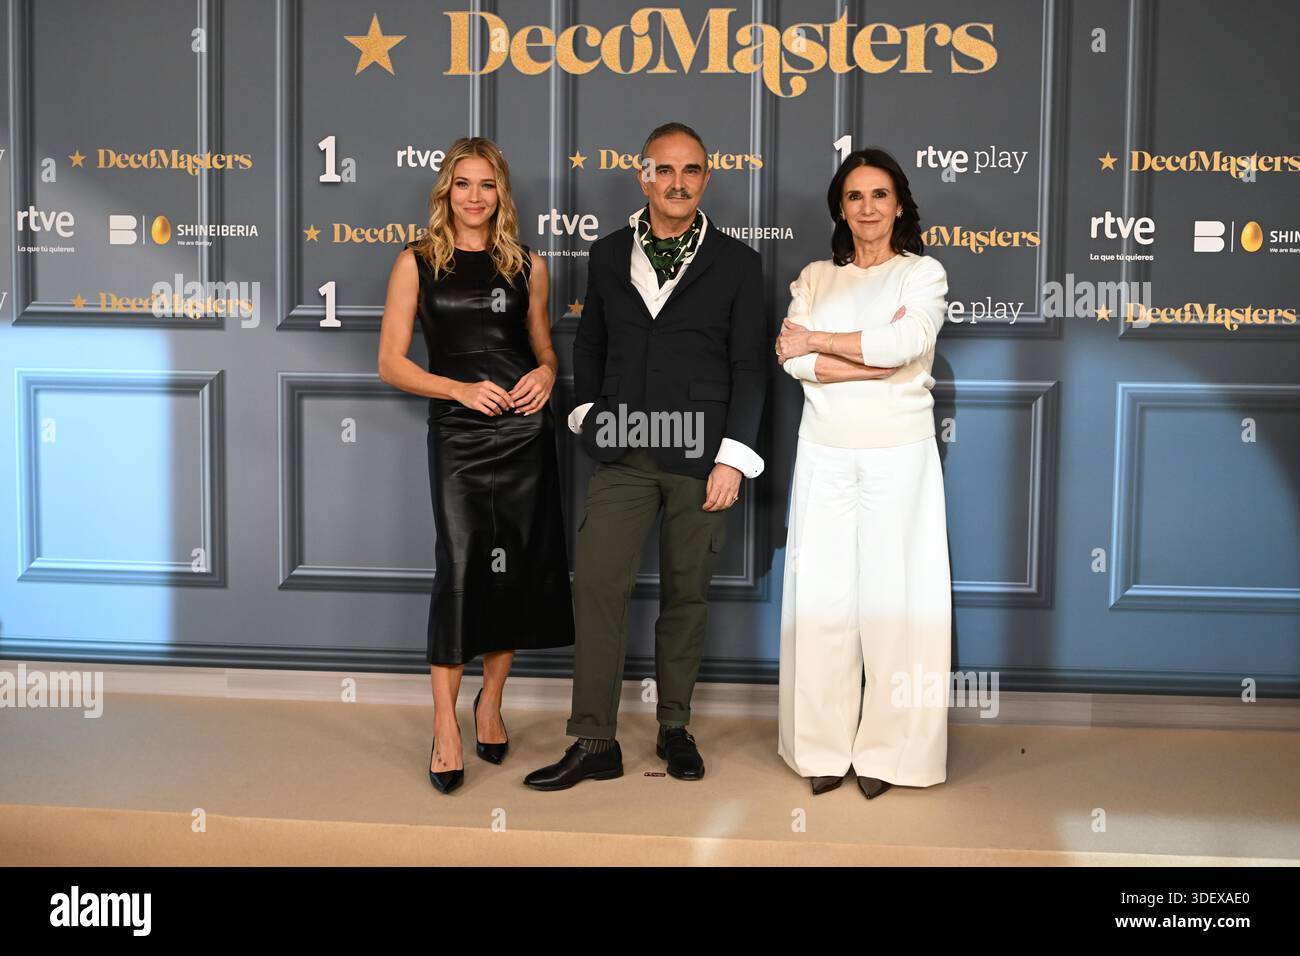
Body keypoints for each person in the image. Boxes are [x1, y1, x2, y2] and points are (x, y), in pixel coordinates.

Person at [523, 122, 769, 790]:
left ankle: (675, 728)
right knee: (600, 586)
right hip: (624, 452)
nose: (678, 183)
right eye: (665, 170)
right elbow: (591, 342)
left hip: (702, 457)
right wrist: (586, 414)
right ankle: (594, 739)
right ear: (644, 175)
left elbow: (750, 368)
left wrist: (734, 459)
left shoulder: (740, 263)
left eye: (691, 171)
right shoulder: (607, 255)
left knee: (686, 596)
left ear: (706, 178)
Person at [378, 136, 575, 795]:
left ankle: (490, 702)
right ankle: (444, 724)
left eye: (486, 184)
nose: (474, 196)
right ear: (446, 191)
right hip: (460, 435)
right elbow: (392, 363)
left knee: (511, 571)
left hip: (523, 435)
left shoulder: (528, 266)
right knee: (460, 571)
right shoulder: (416, 262)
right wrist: (458, 389)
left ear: (500, 194)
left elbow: (545, 349)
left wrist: (546, 375)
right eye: (462, 183)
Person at [774, 147, 953, 800]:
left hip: (898, 455)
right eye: (855, 196)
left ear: (899, 203)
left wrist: (821, 342)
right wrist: (873, 361)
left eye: (880, 195)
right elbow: (791, 363)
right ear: (840, 209)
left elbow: (904, 348)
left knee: (894, 606)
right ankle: (820, 746)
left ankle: (891, 753)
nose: (868, 208)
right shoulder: (816, 278)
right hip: (824, 451)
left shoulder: (922, 275)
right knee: (821, 602)